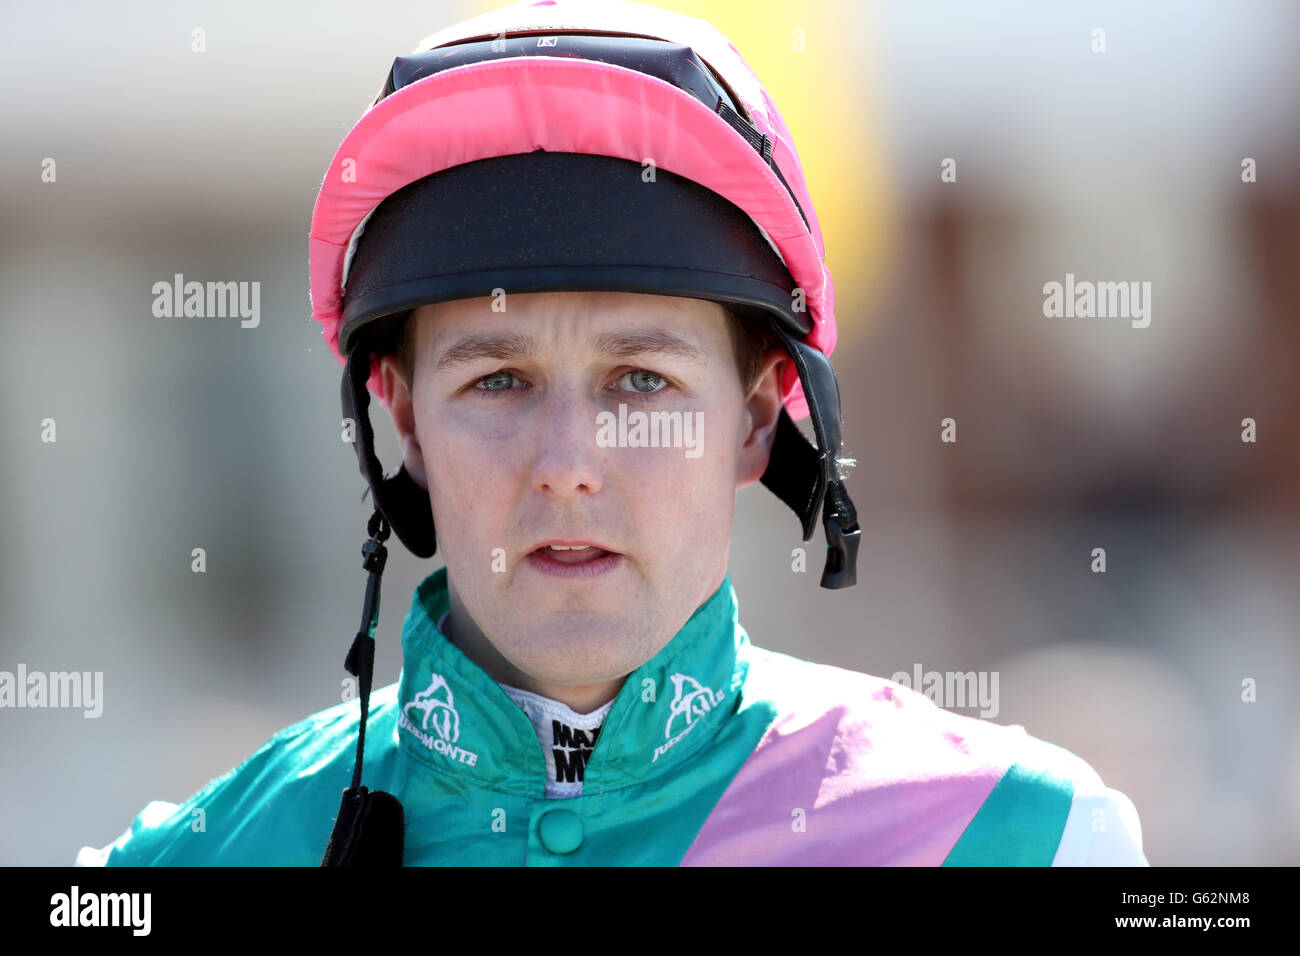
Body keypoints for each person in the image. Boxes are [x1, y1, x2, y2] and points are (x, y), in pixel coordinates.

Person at [75, 0, 1147, 866]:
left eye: (640, 380)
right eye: (498, 380)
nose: (569, 464)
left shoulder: (1022, 836)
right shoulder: (185, 862)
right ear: (398, 419)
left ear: (758, 418)